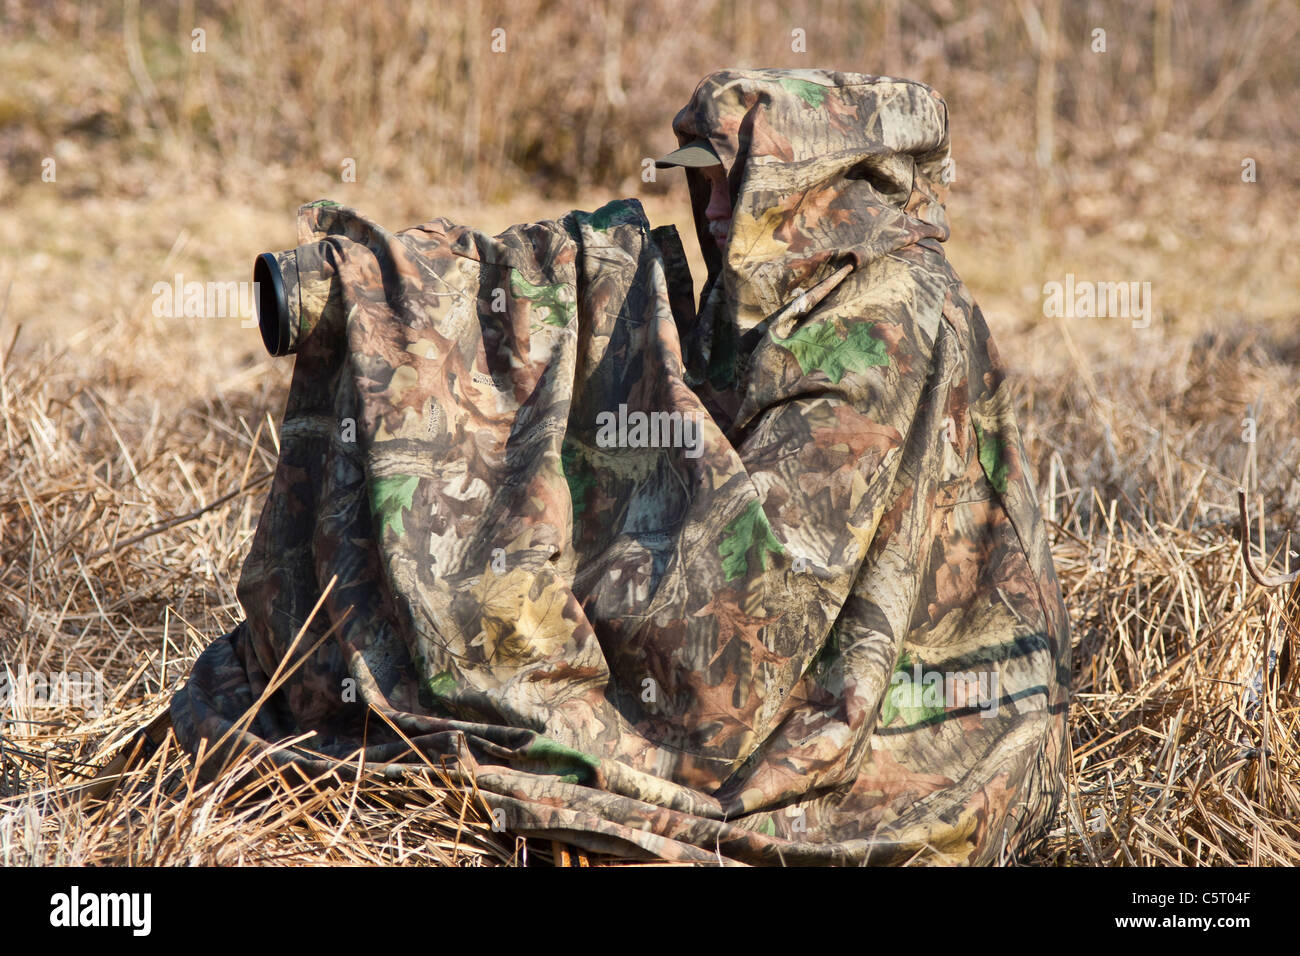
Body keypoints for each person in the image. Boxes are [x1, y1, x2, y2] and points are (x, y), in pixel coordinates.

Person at [163, 68, 1069, 865]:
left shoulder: (884, 323)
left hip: (924, 732)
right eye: (705, 191)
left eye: (733, 192)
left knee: (522, 718)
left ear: (817, 195)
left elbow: (758, 638)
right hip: (829, 670)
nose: (712, 219)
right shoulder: (785, 295)